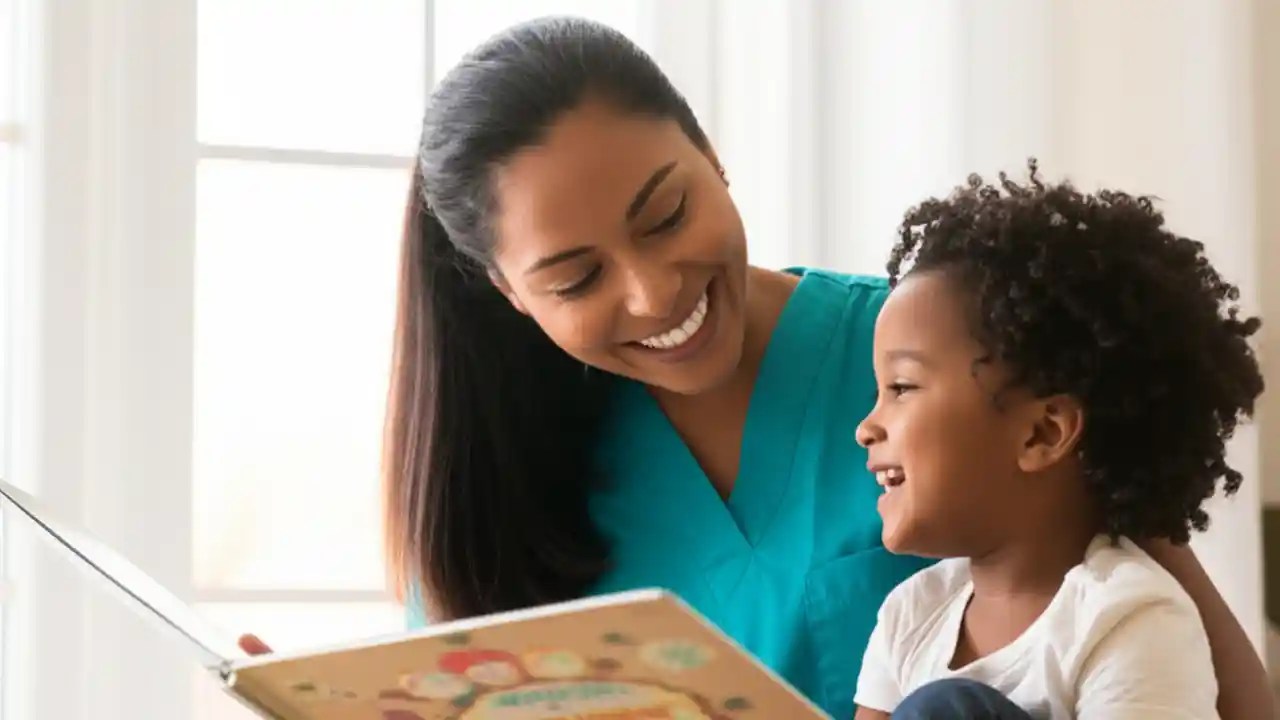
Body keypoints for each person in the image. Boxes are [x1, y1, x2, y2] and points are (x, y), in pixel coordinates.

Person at [238, 17, 1274, 720]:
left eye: (666, 213)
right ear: (507, 297)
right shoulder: (503, 481)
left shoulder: (957, 364)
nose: (652, 294)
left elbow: (1210, 677)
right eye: (573, 277)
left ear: (712, 156)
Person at [852, 164, 1262, 719]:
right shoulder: (910, 614)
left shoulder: (1127, 619)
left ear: (1042, 433)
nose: (865, 427)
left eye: (901, 387)